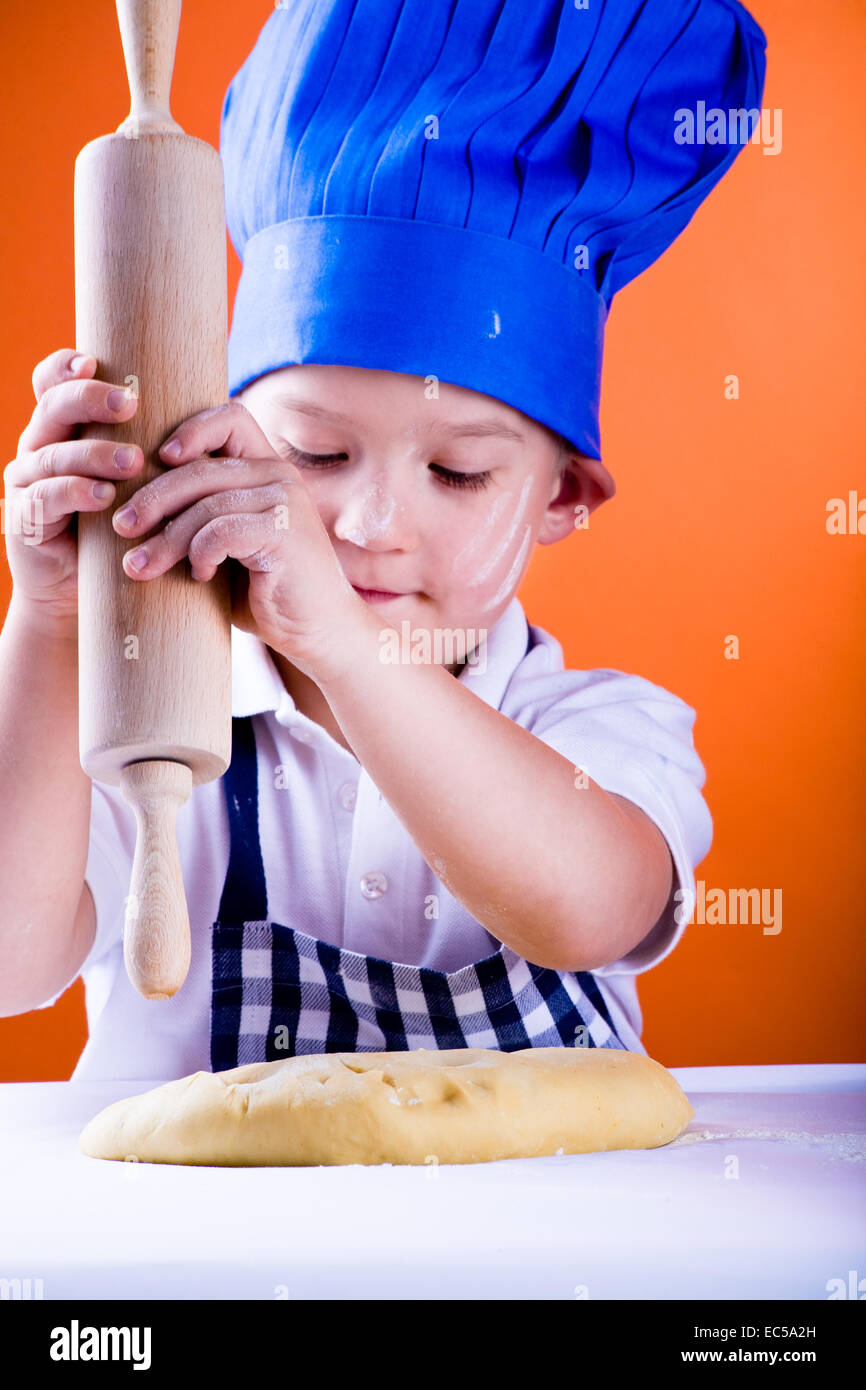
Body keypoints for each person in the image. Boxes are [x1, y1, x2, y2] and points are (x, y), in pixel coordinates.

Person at [0, 0, 767, 1080]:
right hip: (194, 1251)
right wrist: (52, 615)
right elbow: (9, 964)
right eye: (313, 455)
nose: (366, 526)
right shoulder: (149, 719)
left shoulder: (596, 730)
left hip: (545, 1253)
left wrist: (345, 650)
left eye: (455, 471)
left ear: (564, 497)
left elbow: (588, 907)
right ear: (216, 440)